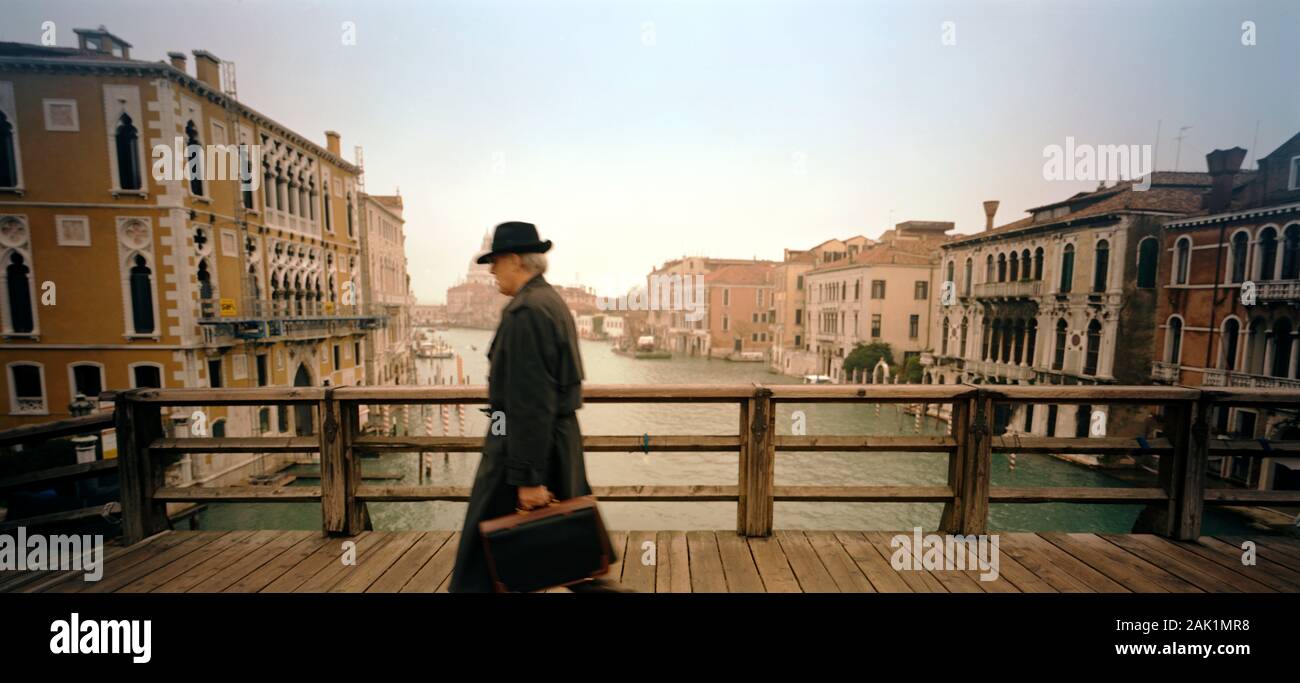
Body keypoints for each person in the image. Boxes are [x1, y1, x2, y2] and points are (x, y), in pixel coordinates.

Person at [448, 221, 629, 593]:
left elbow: (530, 401)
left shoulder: (526, 312)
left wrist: (528, 478)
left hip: (522, 451)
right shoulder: (550, 301)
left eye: (495, 262)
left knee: (482, 569)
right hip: (552, 444)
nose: (492, 271)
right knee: (566, 557)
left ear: (515, 260)